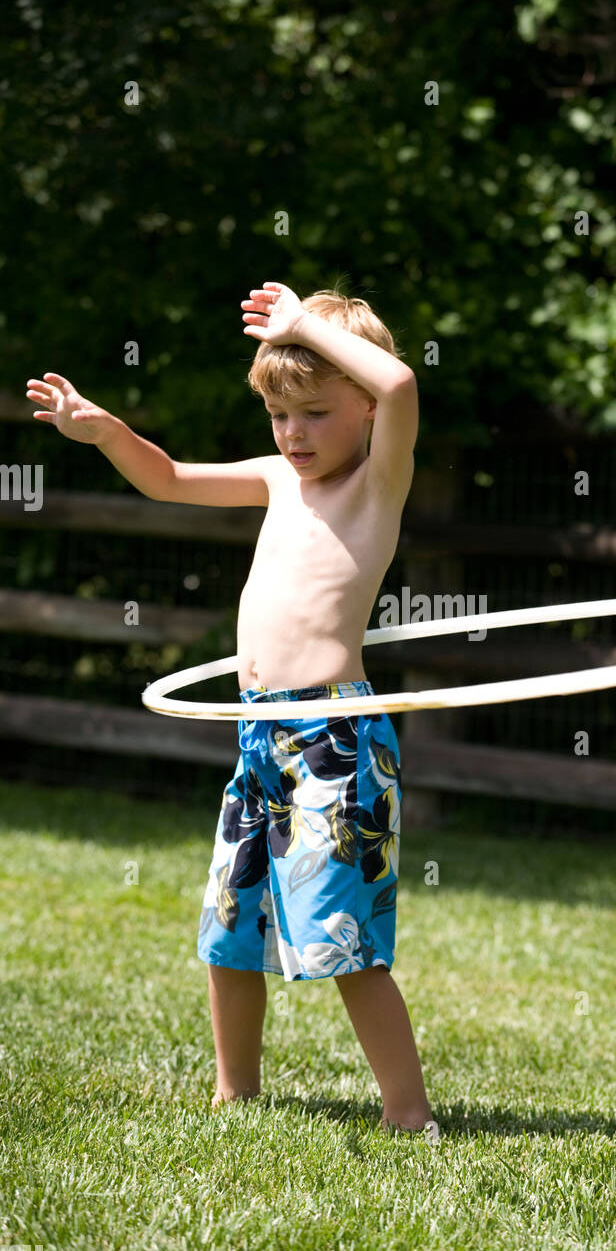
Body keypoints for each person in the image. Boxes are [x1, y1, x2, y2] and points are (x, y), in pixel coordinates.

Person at [25, 281, 438, 1142]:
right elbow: (169, 479)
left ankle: (410, 1116)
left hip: (334, 737)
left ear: (360, 408)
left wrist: (301, 326)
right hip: (257, 737)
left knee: (342, 939)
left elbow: (401, 385)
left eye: (316, 413)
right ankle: (233, 1093)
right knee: (229, 926)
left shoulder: (376, 486)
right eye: (279, 415)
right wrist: (104, 434)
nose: (293, 435)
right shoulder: (275, 482)